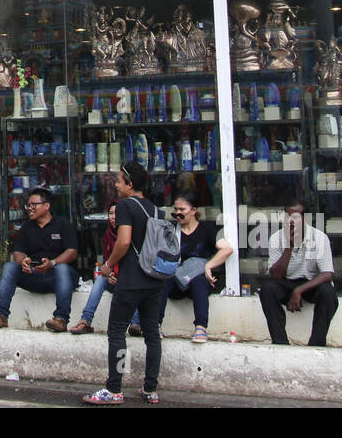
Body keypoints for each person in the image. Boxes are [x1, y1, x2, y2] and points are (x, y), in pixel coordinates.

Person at [84, 161, 164, 405]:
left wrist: (107, 266)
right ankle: (150, 389)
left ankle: (114, 388)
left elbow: (124, 241)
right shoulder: (156, 209)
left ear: (130, 184)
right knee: (152, 334)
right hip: (154, 281)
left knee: (117, 331)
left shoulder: (125, 206)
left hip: (130, 280)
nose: (116, 185)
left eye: (119, 180)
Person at [0, 186, 79, 332]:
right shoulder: (27, 227)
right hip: (34, 275)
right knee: (10, 267)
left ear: (47, 206)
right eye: (28, 205)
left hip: (58, 276)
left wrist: (52, 263)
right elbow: (18, 252)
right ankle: (0, 315)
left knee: (62, 269)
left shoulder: (63, 224)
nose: (29, 208)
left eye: (33, 205)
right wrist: (23, 261)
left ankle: (61, 319)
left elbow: (72, 252)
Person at [259, 200, 339, 347]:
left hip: (311, 283)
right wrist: (289, 247)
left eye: (295, 217)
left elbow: (327, 274)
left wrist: (299, 290)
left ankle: (316, 343)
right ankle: (280, 342)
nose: (290, 221)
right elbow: (276, 276)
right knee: (267, 289)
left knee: (328, 293)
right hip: (287, 281)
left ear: (305, 219)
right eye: (287, 216)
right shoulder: (277, 238)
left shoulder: (319, 238)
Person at [159, 194, 233, 342]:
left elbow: (227, 249)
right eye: (175, 209)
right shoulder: (172, 231)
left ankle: (201, 327)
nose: (177, 213)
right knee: (162, 281)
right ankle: (156, 324)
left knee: (199, 282)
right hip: (177, 281)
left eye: (182, 209)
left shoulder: (206, 229)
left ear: (193, 211)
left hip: (197, 281)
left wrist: (208, 266)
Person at [69, 203, 140, 335]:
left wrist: (119, 275)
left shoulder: (132, 236)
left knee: (132, 280)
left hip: (128, 280)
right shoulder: (107, 235)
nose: (113, 217)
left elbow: (135, 264)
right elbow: (107, 263)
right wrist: (110, 274)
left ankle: (135, 323)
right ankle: (85, 320)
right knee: (101, 278)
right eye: (111, 213)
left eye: (117, 214)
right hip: (113, 279)